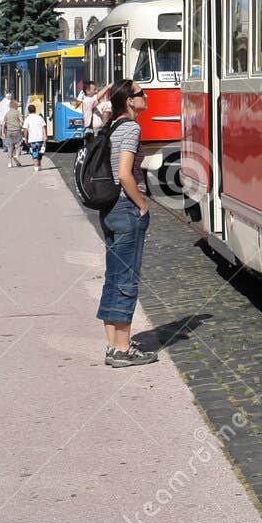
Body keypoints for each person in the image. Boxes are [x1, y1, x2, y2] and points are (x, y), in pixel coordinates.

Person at [97, 79, 155, 367]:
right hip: (125, 208)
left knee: (113, 276)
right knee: (126, 278)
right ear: (130, 101)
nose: (146, 96)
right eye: (141, 93)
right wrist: (142, 205)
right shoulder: (131, 128)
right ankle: (122, 350)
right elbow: (124, 174)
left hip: (108, 208)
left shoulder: (111, 126)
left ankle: (113, 344)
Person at [23, 103, 47, 171]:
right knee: (40, 153)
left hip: (32, 140)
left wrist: (25, 138)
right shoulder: (40, 118)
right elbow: (43, 127)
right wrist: (45, 136)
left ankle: (36, 166)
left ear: (28, 111)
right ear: (35, 110)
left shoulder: (27, 119)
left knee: (34, 153)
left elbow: (25, 130)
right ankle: (39, 165)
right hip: (40, 139)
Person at [1, 99, 25, 167]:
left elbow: (3, 124)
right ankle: (16, 156)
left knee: (10, 147)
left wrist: (2, 133)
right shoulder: (17, 112)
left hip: (9, 132)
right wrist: (22, 126)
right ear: (16, 105)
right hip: (17, 131)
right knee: (19, 145)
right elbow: (22, 121)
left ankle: (10, 163)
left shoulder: (7, 113)